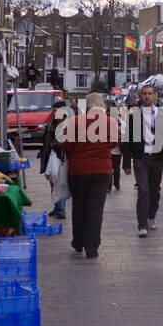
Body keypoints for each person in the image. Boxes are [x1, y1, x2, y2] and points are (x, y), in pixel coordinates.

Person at [59, 92, 117, 259]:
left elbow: (68, 145)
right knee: (95, 209)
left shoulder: (75, 121)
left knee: (78, 206)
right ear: (102, 105)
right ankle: (92, 247)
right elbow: (113, 143)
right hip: (102, 170)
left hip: (78, 171)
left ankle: (78, 242)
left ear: (87, 106)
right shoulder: (110, 122)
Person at [122, 84, 163, 238]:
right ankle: (142, 224)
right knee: (143, 191)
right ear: (140, 96)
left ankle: (151, 216)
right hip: (141, 157)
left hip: (157, 157)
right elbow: (127, 139)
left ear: (155, 95)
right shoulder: (133, 116)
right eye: (144, 94)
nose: (147, 96)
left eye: (150, 93)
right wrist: (126, 162)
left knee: (155, 191)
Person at [39, 99, 69, 219]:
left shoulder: (67, 124)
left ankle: (61, 209)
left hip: (61, 157)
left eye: (56, 110)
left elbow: (67, 142)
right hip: (50, 156)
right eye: (53, 110)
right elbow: (46, 139)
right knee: (52, 181)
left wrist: (55, 145)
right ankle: (57, 207)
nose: (54, 112)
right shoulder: (52, 122)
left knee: (60, 183)